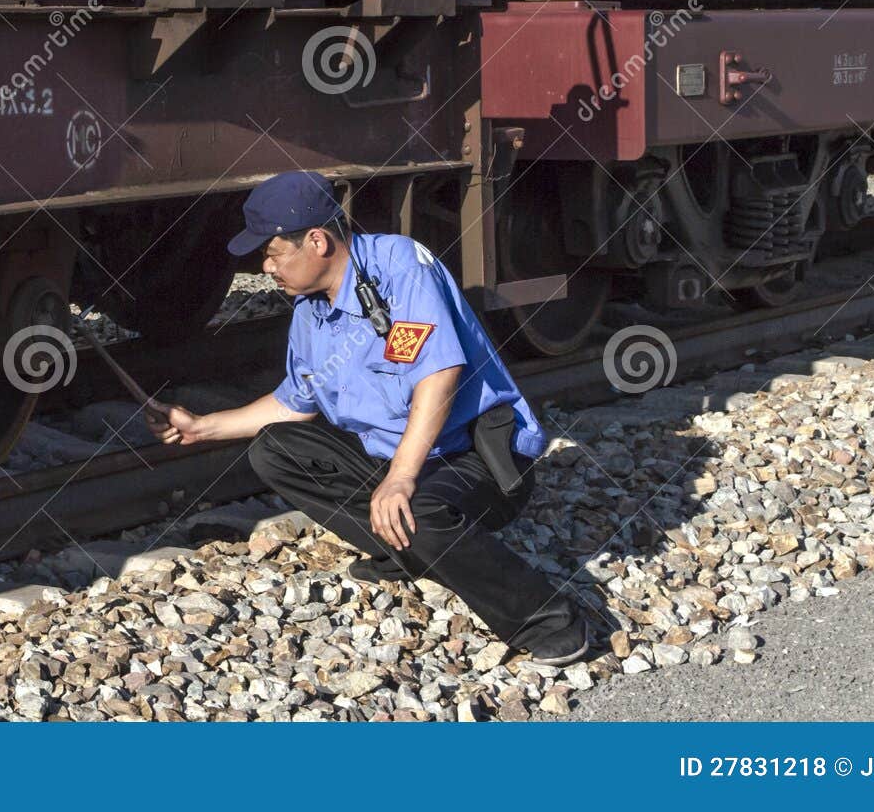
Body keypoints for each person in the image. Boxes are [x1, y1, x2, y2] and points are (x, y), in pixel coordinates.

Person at [146, 171, 590, 666]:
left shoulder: (398, 265)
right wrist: (201, 426)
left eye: (272, 253)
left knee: (417, 511)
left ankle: (548, 619)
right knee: (276, 449)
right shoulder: (309, 312)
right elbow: (295, 403)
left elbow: (438, 376)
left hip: (472, 456)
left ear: (316, 241)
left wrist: (400, 479)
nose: (265, 267)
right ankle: (409, 553)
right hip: (399, 458)